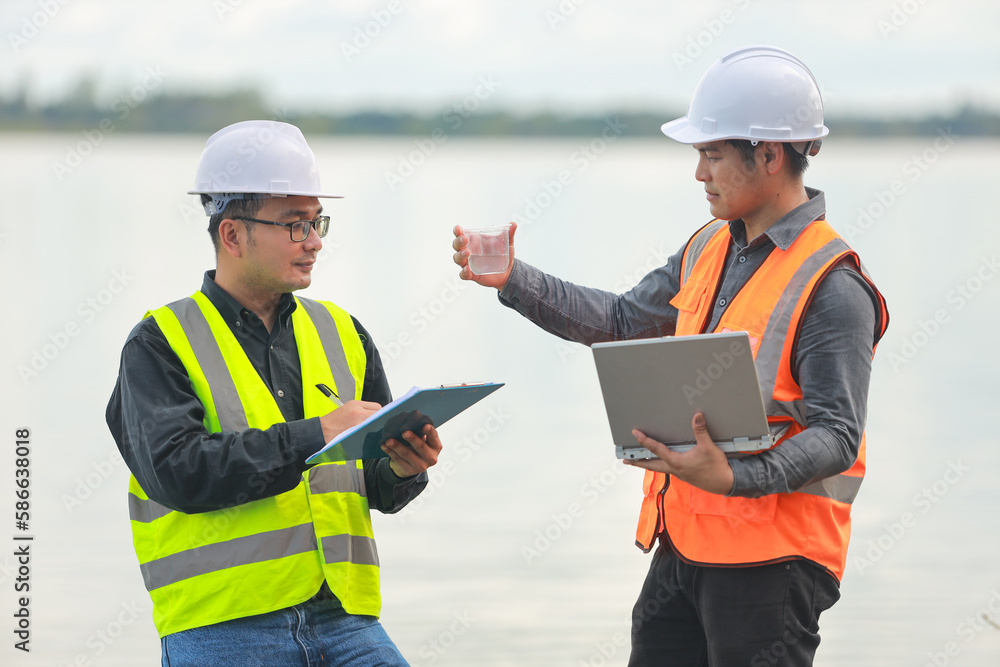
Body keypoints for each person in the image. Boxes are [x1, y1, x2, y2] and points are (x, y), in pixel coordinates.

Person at [452, 46, 888, 665]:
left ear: (767, 154)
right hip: (684, 547)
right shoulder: (710, 245)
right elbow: (623, 321)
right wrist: (512, 278)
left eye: (712, 155)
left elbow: (838, 434)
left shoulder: (834, 285)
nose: (699, 174)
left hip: (773, 564)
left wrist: (738, 477)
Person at [107, 120, 443, 666]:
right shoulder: (158, 344)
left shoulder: (343, 331)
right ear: (233, 234)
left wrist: (405, 468)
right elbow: (178, 473)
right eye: (294, 225)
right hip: (221, 627)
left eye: (317, 223)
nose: (313, 242)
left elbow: (376, 487)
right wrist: (316, 435)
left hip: (346, 618)